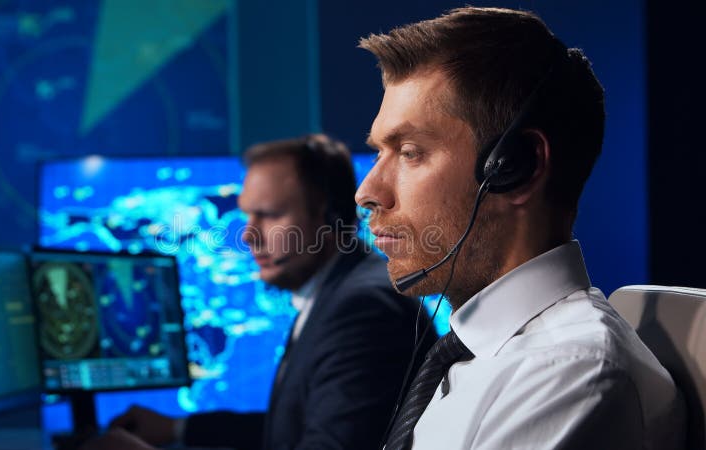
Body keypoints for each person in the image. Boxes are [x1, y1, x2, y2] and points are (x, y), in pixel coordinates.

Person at [355, 7, 684, 450]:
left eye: (410, 152)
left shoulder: (569, 375)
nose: (367, 191)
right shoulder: (477, 351)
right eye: (379, 153)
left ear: (515, 167)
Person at [82, 134, 437, 450]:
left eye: (268, 215)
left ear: (328, 216)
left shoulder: (363, 309)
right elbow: (295, 429)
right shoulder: (341, 287)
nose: (248, 235)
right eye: (248, 215)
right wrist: (178, 428)